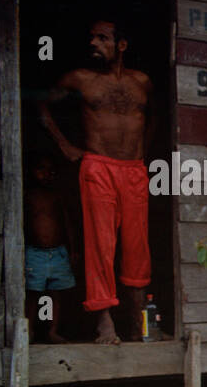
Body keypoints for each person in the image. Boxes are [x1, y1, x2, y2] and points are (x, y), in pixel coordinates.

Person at [39, 18, 154, 344]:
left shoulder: (142, 82)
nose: (94, 44)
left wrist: (144, 150)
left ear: (121, 45)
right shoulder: (80, 79)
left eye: (102, 38)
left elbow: (155, 115)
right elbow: (41, 103)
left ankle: (137, 325)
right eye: (91, 38)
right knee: (100, 245)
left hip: (133, 169)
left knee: (137, 245)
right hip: (98, 167)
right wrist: (64, 145)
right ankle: (105, 325)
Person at [23, 153, 78, 343]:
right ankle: (28, 330)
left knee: (56, 293)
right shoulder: (27, 196)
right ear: (31, 172)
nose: (46, 174)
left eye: (51, 171)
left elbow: (67, 224)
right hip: (35, 253)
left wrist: (72, 250)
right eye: (41, 170)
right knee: (33, 293)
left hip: (58, 252)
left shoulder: (56, 196)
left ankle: (52, 331)